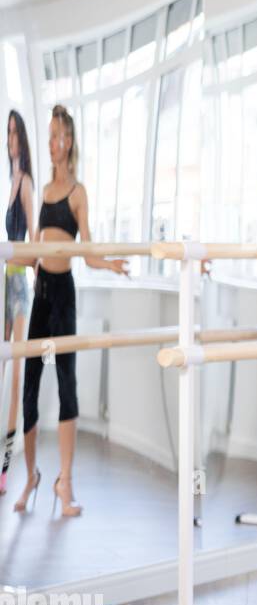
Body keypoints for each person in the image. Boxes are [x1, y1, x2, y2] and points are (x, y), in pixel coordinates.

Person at [14, 104, 129, 516]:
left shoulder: (78, 193)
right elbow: (34, 252)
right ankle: (30, 478)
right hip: (41, 291)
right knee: (29, 386)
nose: (50, 145)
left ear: (70, 141)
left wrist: (111, 263)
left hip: (64, 295)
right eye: (47, 138)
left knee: (67, 386)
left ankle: (66, 483)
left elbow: (88, 252)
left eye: (56, 137)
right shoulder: (43, 192)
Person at [2, 110, 36, 496]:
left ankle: (6, 468)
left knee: (16, 378)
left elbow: (33, 246)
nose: (10, 138)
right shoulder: (9, 182)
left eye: (15, 133)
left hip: (19, 289)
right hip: (2, 284)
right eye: (7, 132)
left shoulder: (25, 183)